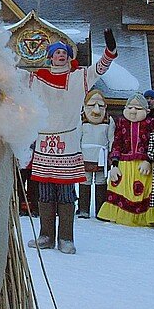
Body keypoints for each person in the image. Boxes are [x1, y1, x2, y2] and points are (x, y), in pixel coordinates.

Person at [26, 30, 118, 254]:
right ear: (50, 57)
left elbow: (100, 68)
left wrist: (110, 51)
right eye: (56, 52)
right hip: (45, 142)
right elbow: (9, 76)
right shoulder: (37, 79)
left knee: (66, 194)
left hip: (68, 143)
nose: (61, 55)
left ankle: (66, 237)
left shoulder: (79, 77)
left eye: (64, 52)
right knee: (45, 192)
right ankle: (46, 235)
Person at [98, 92, 154, 227]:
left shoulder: (151, 123)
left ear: (146, 110)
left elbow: (152, 143)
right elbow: (117, 143)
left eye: (137, 109)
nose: (133, 111)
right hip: (124, 164)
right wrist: (114, 164)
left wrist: (149, 160)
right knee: (122, 189)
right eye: (130, 108)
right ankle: (118, 214)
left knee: (141, 191)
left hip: (143, 165)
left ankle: (143, 218)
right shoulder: (122, 123)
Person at [78, 89, 114, 220]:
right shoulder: (81, 120)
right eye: (92, 105)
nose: (96, 110)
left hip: (101, 157)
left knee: (101, 181)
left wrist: (110, 156)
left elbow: (111, 139)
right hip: (85, 156)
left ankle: (101, 210)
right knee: (85, 181)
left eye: (100, 105)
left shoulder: (108, 121)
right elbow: (77, 138)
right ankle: (83, 209)